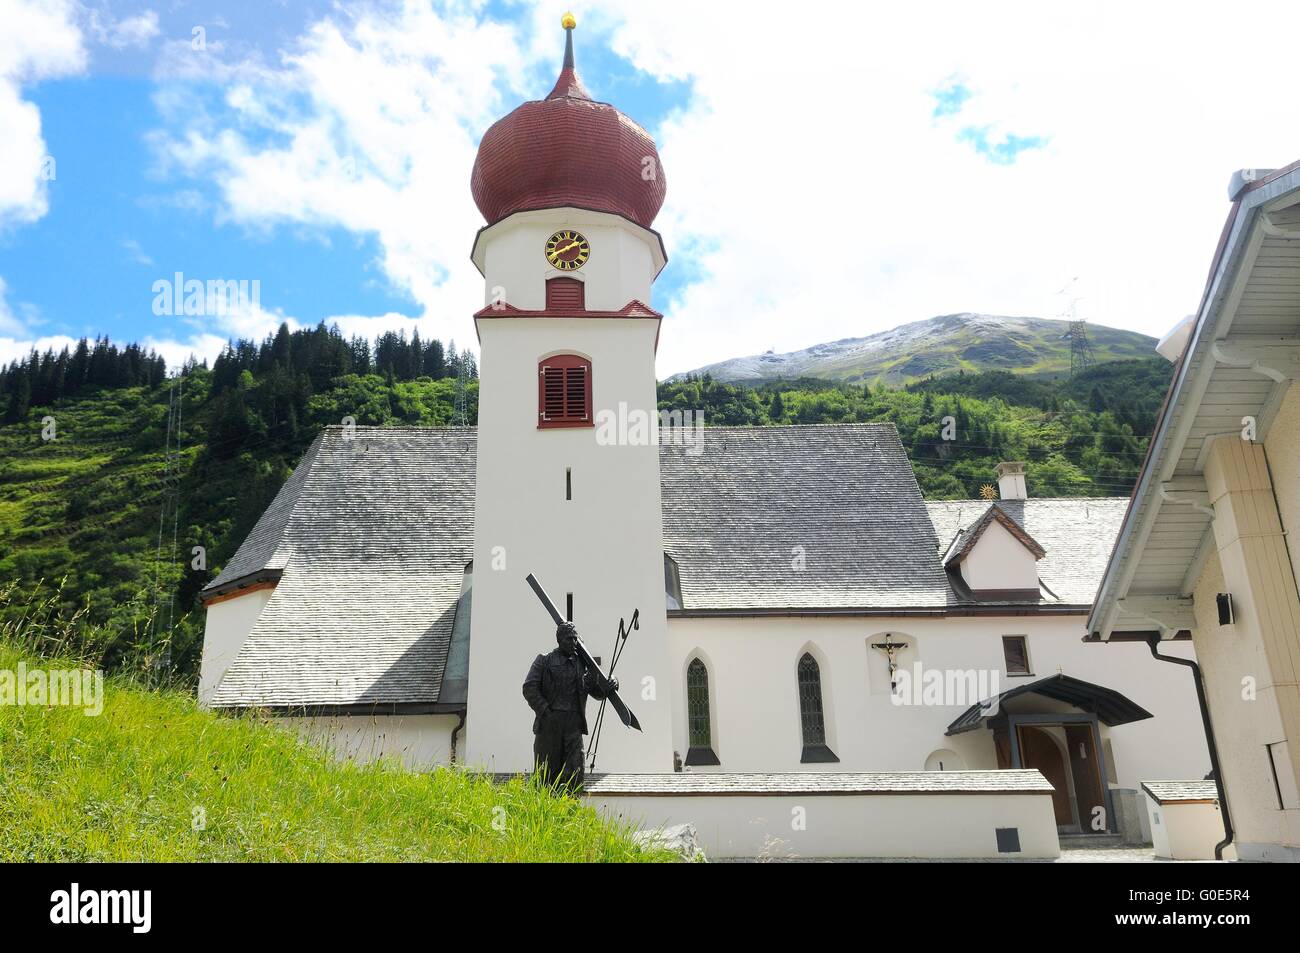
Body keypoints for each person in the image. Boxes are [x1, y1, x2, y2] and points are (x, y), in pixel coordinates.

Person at [521, 621, 617, 792]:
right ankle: (546, 814)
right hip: (550, 724)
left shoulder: (583, 665)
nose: (573, 643)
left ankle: (570, 810)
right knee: (546, 773)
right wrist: (545, 711)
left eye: (575, 639)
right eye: (569, 639)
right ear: (559, 640)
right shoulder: (544, 660)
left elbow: (598, 693)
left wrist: (612, 683)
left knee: (575, 770)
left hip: (574, 725)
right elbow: (529, 687)